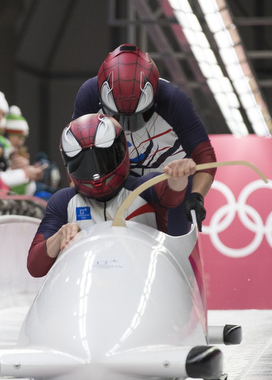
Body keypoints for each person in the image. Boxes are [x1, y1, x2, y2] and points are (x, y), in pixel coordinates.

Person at [71, 43, 217, 235]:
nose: (128, 126)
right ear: (102, 99)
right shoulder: (89, 95)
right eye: (118, 117)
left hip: (170, 183)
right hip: (117, 181)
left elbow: (204, 156)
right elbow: (74, 151)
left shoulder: (174, 101)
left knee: (174, 238)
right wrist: (76, 198)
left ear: (154, 98)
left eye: (137, 117)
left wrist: (197, 196)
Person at [27, 113, 195, 277]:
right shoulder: (63, 201)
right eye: (84, 164)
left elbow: (173, 195)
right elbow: (35, 267)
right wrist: (59, 238)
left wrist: (178, 177)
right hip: (89, 291)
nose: (96, 174)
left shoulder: (145, 188)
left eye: (102, 160)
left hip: (144, 286)